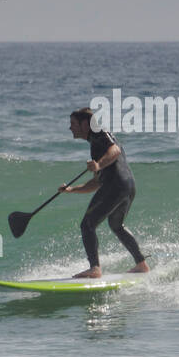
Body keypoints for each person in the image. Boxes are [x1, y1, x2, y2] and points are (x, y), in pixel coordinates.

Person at [59, 108, 150, 278]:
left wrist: (99, 165)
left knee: (87, 225)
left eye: (73, 124)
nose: (70, 128)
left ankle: (95, 269)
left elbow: (114, 150)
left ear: (85, 124)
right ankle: (141, 264)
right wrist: (72, 189)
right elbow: (98, 182)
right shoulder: (96, 144)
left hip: (116, 186)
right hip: (128, 186)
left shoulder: (100, 133)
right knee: (116, 225)